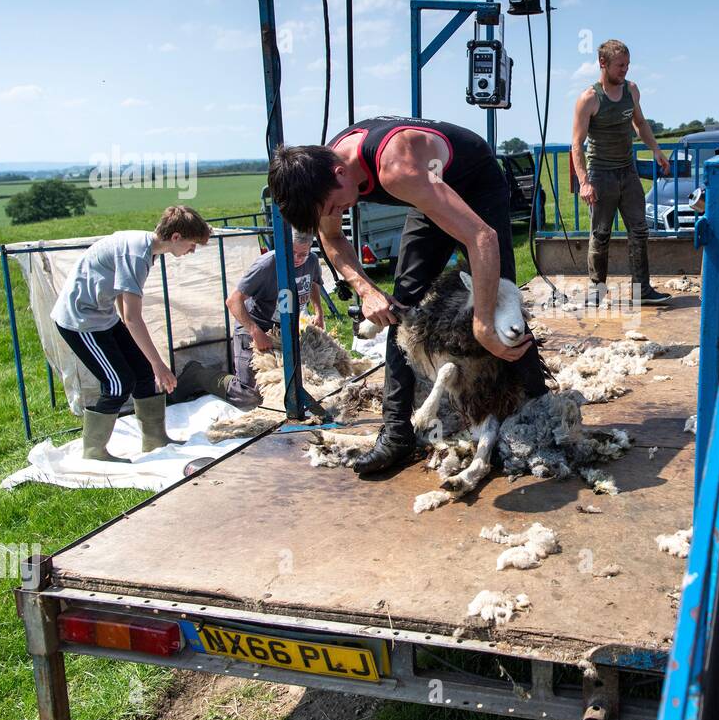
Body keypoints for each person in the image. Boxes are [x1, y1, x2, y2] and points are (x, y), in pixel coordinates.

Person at [267, 115, 551, 475]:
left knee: (499, 308)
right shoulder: (322, 177)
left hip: (476, 184)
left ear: (340, 173)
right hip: (428, 195)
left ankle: (541, 408)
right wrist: (366, 290)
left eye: (335, 208)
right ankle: (398, 432)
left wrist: (481, 321)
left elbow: (482, 238)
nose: (338, 214)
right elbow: (333, 238)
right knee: (403, 307)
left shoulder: (396, 168)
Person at [51, 205, 212, 461]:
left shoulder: (147, 249)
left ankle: (155, 438)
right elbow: (132, 317)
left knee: (143, 373)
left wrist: (144, 357)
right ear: (176, 237)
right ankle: (94, 451)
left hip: (102, 315)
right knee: (118, 383)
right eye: (193, 244)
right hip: (80, 320)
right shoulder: (138, 254)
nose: (192, 251)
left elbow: (121, 297)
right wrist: (159, 364)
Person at [571, 38, 672, 305]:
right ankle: (597, 290)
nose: (625, 70)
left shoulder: (632, 90)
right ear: (602, 64)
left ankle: (642, 292)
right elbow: (576, 145)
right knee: (601, 233)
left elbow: (640, 123)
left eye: (627, 64)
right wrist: (584, 181)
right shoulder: (589, 99)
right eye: (620, 65)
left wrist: (657, 150)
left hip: (628, 172)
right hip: (601, 175)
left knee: (639, 230)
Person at [226, 231, 324, 394]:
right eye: (292, 253)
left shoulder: (312, 261)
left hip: (283, 329)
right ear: (283, 248)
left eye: (302, 254)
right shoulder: (267, 265)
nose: (297, 259)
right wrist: (255, 332)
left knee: (291, 383)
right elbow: (233, 300)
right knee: (249, 392)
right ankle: (206, 377)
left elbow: (313, 282)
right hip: (254, 326)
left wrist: (318, 312)